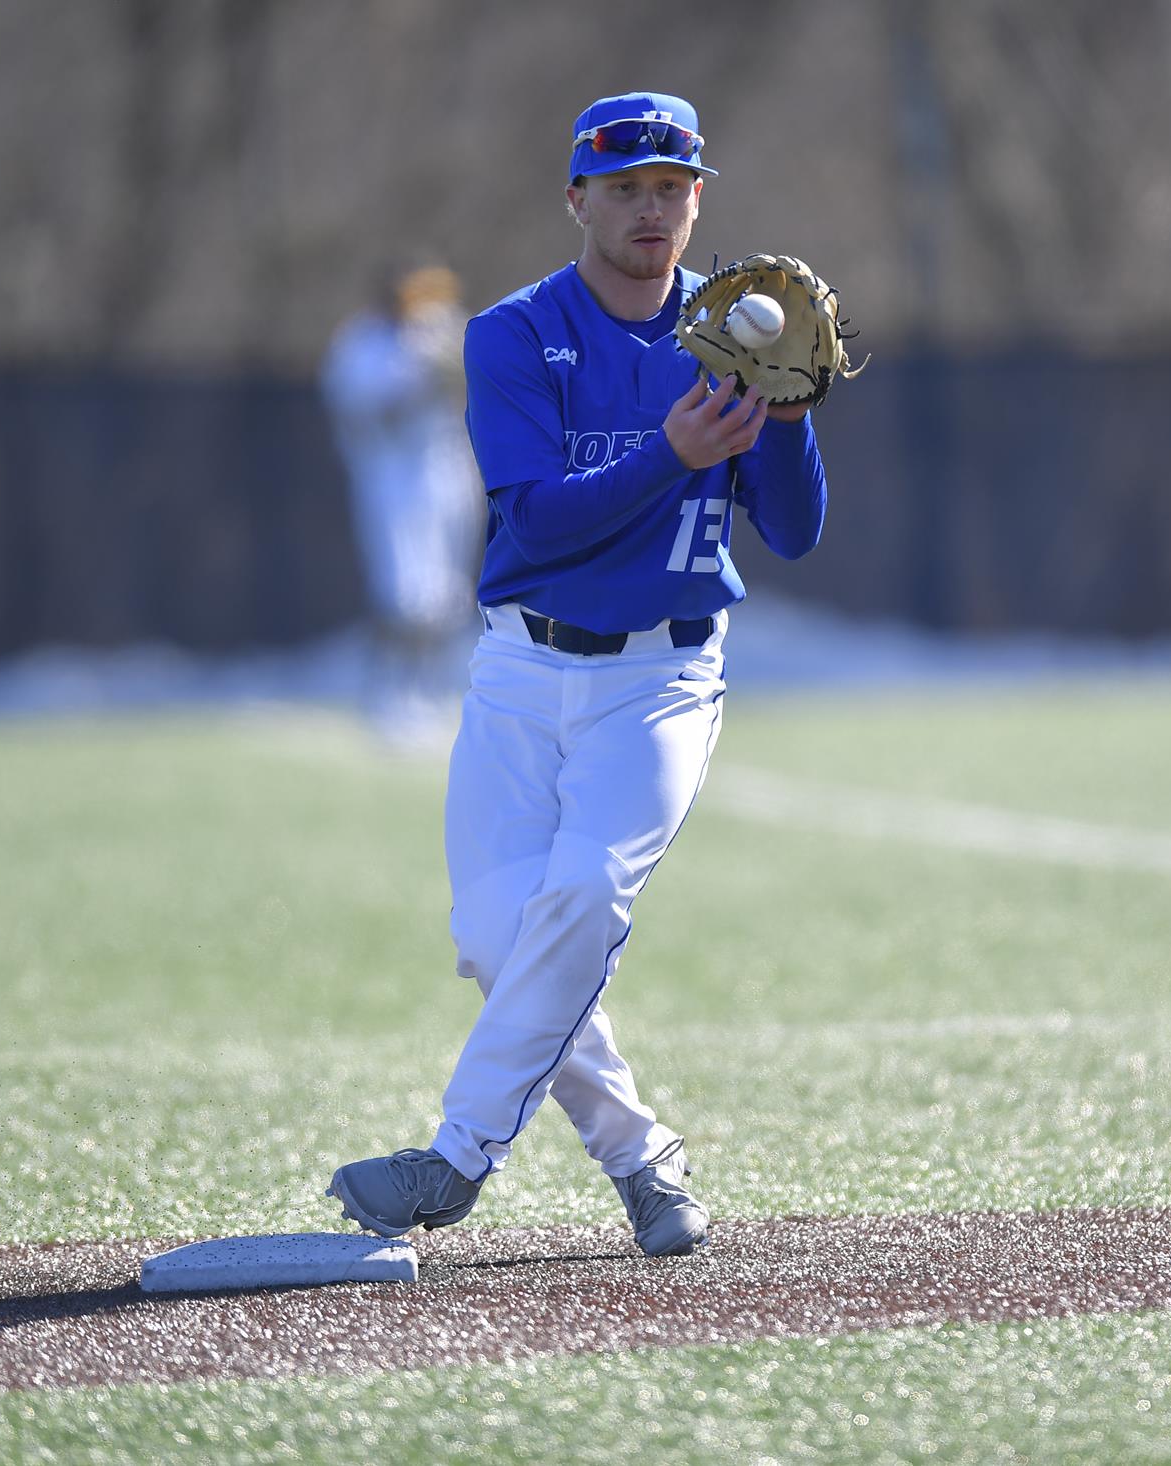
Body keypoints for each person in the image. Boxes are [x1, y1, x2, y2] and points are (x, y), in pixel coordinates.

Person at [326, 91, 829, 1257]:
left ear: (696, 200)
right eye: (625, 188)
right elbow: (538, 524)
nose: (652, 208)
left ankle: (454, 1157)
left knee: (587, 895)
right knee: (498, 938)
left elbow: (796, 531)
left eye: (672, 187)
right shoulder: (512, 333)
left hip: (660, 680)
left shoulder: (732, 333)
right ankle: (642, 1158)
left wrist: (790, 408)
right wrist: (670, 453)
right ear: (576, 200)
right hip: (519, 669)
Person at [319, 262, 485, 736]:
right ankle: (388, 693)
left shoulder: (446, 330)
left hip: (448, 472)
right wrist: (423, 379)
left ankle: (432, 692)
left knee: (449, 596)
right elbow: (371, 416)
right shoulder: (363, 344)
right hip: (394, 478)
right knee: (405, 596)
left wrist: (457, 371)